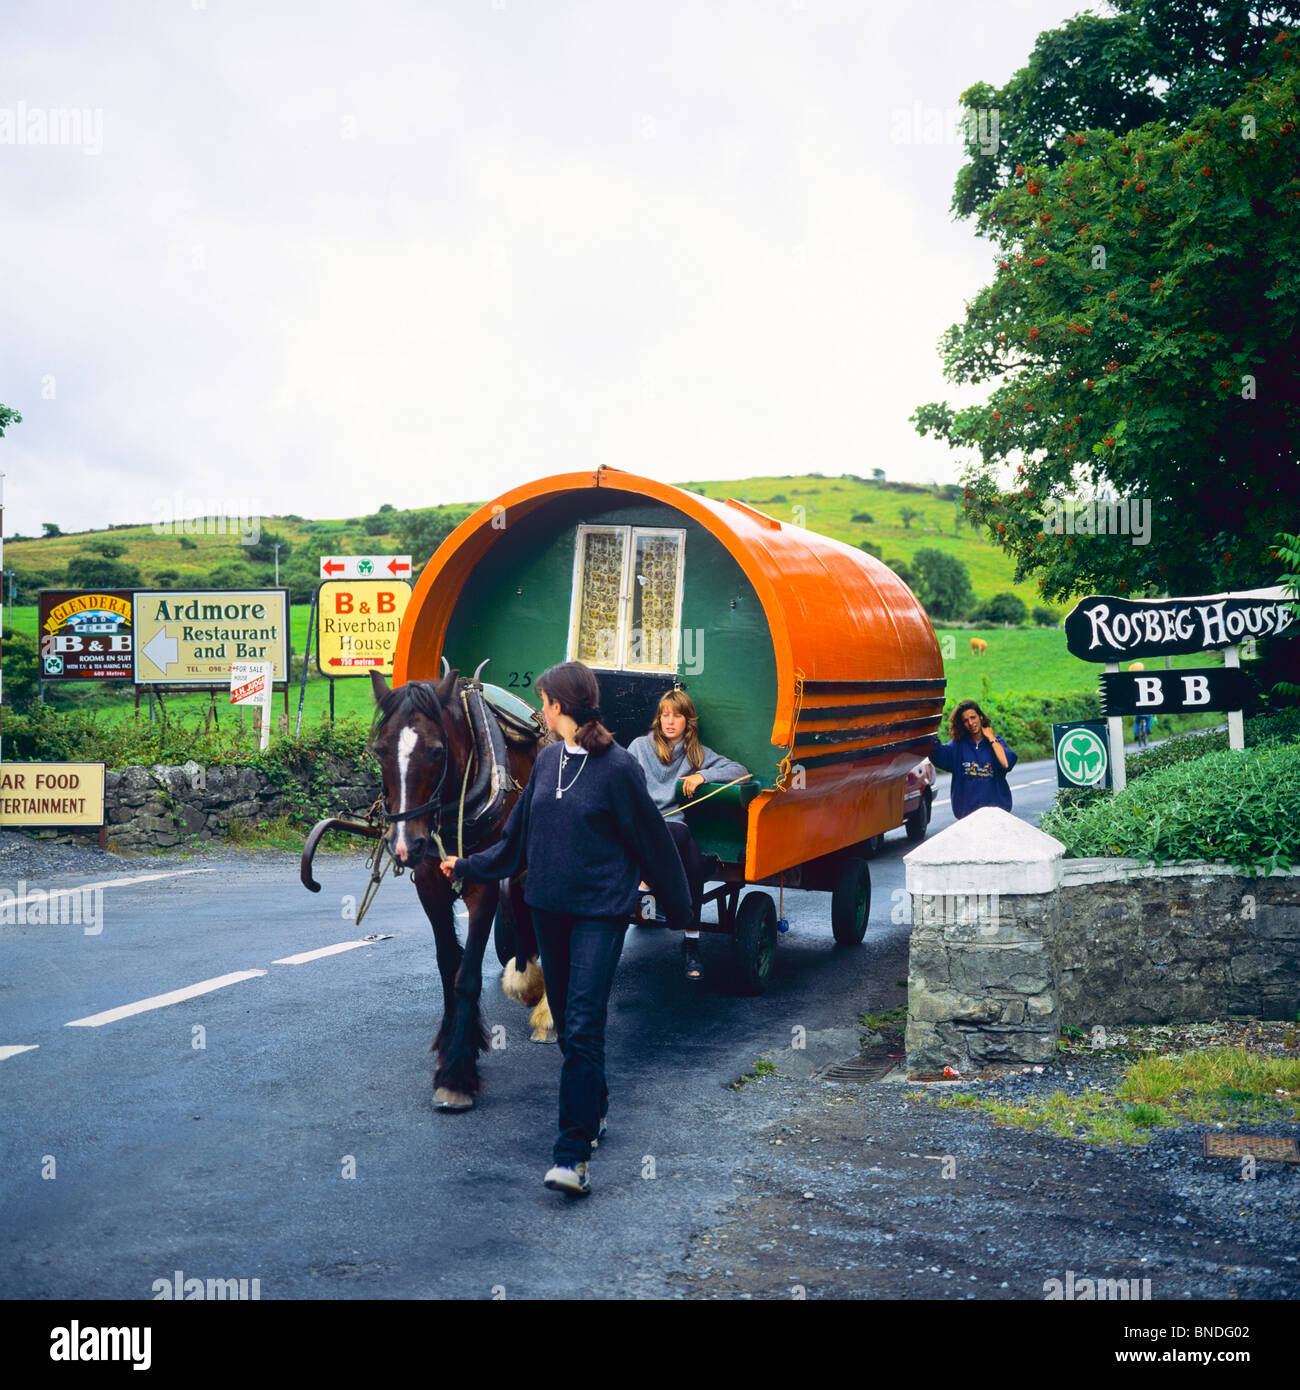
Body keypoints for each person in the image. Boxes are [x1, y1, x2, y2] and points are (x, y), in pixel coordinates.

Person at [440, 660, 690, 1200]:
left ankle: (572, 1156)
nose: (543, 711)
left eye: (545, 703)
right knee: (573, 1034)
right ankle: (593, 1108)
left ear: (559, 707)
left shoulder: (620, 768)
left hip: (600, 915)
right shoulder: (549, 760)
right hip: (549, 911)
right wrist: (465, 866)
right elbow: (513, 841)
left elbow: (653, 843)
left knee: (581, 1025)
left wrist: (683, 916)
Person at [627, 689, 749, 981]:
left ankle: (684, 932)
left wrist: (701, 775)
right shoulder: (640, 746)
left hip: (672, 827)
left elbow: (740, 771)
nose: (670, 721)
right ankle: (689, 939)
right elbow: (621, 781)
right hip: (642, 826)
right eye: (665, 714)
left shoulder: (696, 754)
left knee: (688, 851)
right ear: (658, 718)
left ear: (688, 721)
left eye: (677, 715)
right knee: (686, 851)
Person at [928, 700, 1018, 819]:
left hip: (997, 815)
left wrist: (991, 738)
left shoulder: (996, 743)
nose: (970, 723)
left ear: (980, 717)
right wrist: (929, 728)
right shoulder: (957, 746)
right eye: (965, 720)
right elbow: (937, 754)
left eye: (973, 717)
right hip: (968, 817)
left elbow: (1006, 763)